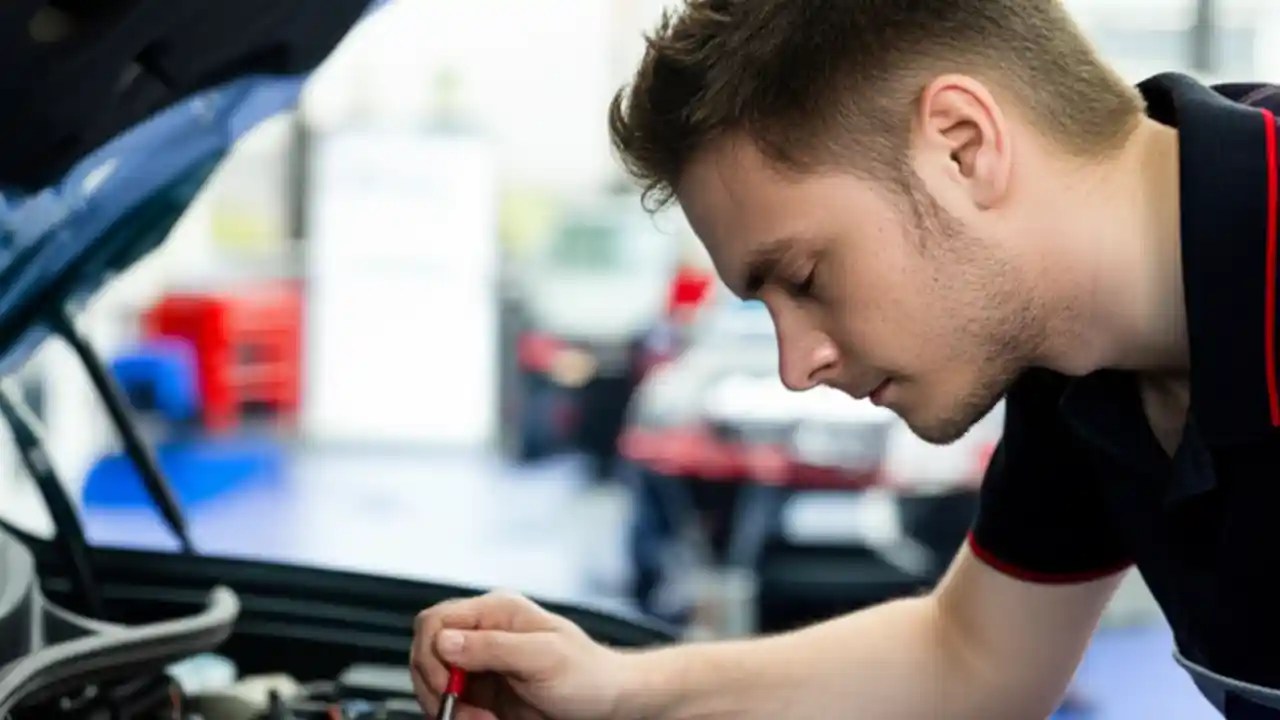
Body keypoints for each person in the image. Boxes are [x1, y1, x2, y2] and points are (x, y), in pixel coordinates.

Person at [412, 0, 1280, 717]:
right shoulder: (1078, 356)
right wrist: (618, 690)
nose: (798, 366)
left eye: (806, 276)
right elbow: (971, 659)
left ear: (960, 144)